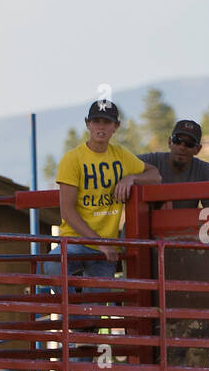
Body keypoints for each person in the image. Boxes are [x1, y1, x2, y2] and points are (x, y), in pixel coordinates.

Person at [50, 99, 161, 282]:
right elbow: (67, 211)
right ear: (88, 124)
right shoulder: (72, 159)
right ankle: (71, 307)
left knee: (96, 303)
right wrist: (100, 243)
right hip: (75, 241)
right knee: (52, 264)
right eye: (96, 121)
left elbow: (156, 176)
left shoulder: (121, 155)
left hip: (108, 246)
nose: (101, 127)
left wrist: (131, 178)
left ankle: (77, 308)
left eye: (107, 122)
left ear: (116, 126)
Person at [137, 119, 209, 210]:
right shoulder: (151, 160)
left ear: (198, 149)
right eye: (177, 140)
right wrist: (130, 178)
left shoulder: (205, 171)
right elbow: (123, 164)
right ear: (170, 142)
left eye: (189, 144)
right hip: (146, 222)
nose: (182, 147)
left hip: (185, 223)